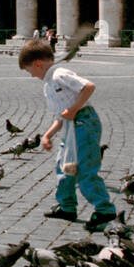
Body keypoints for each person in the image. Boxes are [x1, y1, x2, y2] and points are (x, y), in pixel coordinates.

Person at [19, 38, 115, 232]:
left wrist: (74, 108)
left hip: (84, 122)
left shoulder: (59, 74)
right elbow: (61, 116)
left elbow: (88, 87)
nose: (31, 75)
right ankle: (67, 207)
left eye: (30, 71)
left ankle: (105, 209)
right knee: (64, 167)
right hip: (72, 125)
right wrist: (47, 135)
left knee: (85, 169)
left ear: (38, 64)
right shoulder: (48, 84)